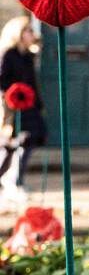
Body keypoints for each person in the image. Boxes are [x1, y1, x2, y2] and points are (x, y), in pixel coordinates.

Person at [0, 15, 46, 203]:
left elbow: (33, 83)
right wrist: (11, 97)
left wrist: (39, 104)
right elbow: (2, 81)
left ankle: (14, 180)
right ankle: (9, 180)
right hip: (11, 106)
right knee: (9, 145)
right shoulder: (7, 54)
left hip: (29, 105)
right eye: (29, 31)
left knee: (30, 139)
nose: (32, 34)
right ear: (18, 33)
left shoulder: (27, 56)